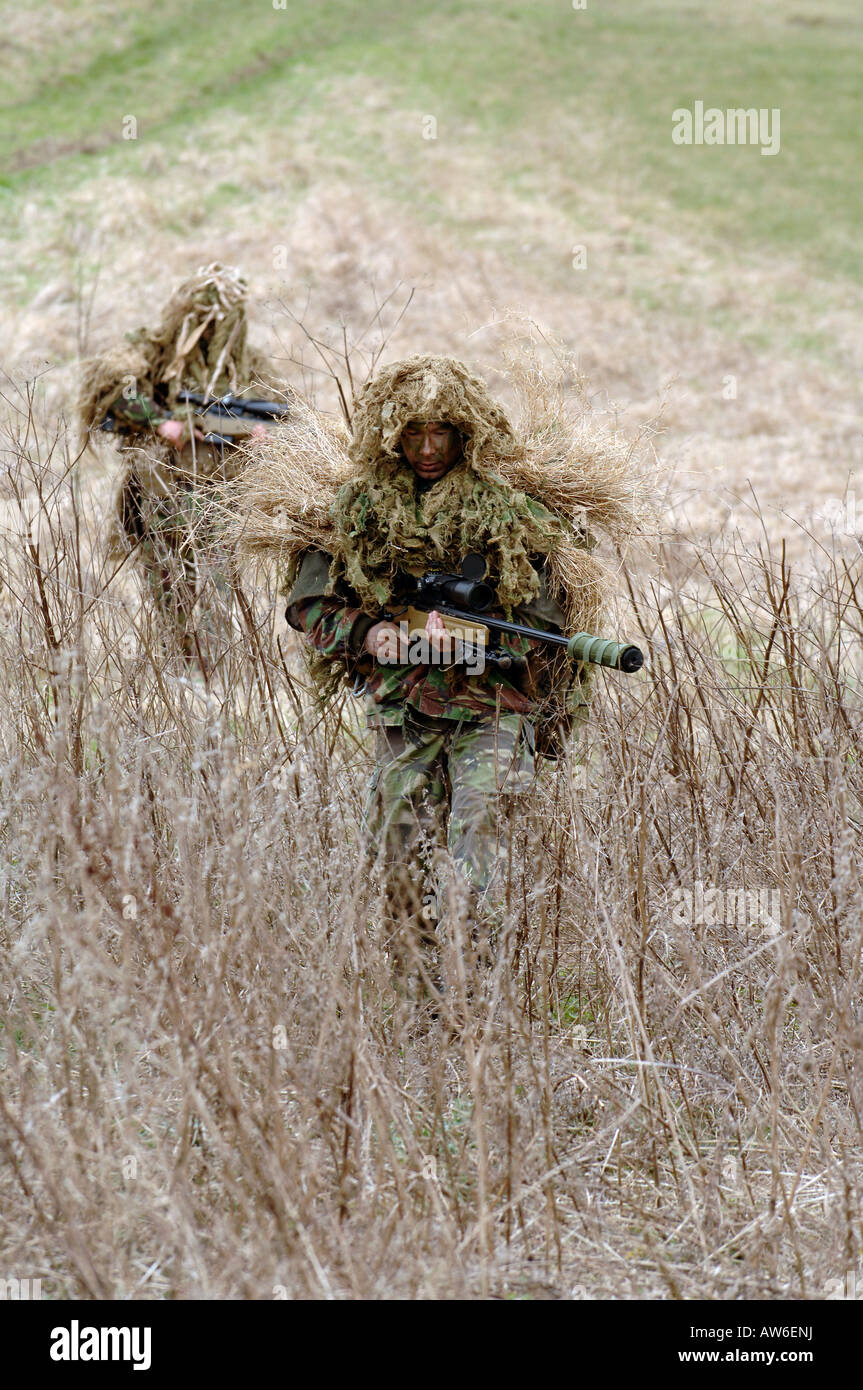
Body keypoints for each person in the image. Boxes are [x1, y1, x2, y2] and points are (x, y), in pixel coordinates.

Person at [282, 356, 593, 970]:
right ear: (390, 434)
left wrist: (472, 639)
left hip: (491, 708)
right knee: (401, 852)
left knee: (485, 834)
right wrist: (369, 633)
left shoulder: (512, 515)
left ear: (465, 433)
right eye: (413, 432)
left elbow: (546, 626)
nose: (428, 448)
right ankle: (420, 997)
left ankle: (480, 981)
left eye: (442, 432)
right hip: (404, 711)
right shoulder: (356, 512)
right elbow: (309, 607)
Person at [78, 263, 275, 663]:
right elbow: (111, 389)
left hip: (221, 496)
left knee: (221, 586)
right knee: (169, 585)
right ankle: (180, 667)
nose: (211, 331)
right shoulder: (154, 353)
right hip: (161, 494)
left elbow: (282, 410)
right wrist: (161, 422)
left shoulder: (245, 365)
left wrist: (258, 431)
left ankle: (220, 672)